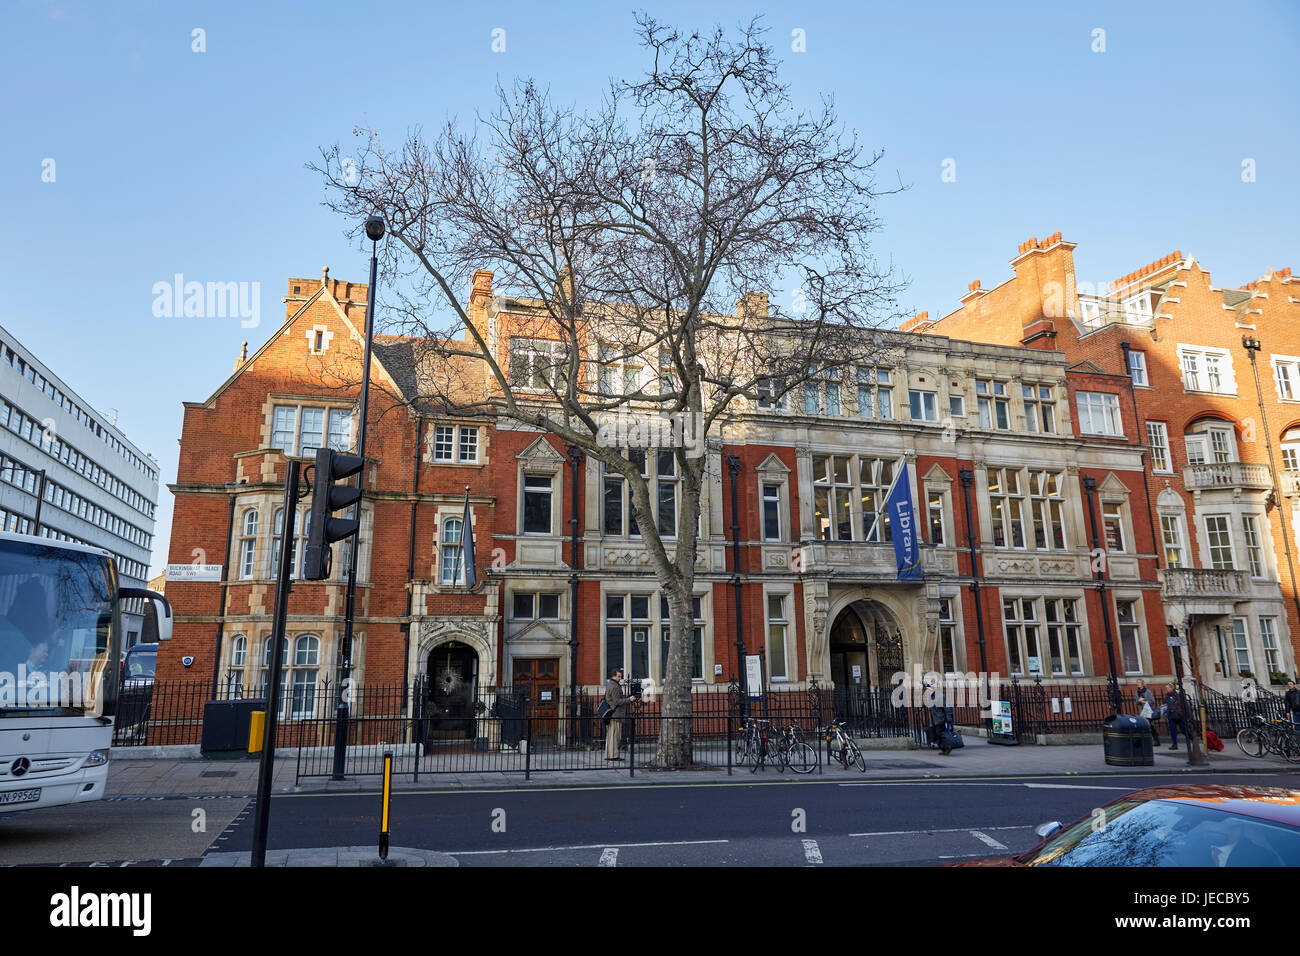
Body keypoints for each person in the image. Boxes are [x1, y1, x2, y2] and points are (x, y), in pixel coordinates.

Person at [604, 667, 630, 761]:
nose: (620, 678)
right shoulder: (615, 686)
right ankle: (614, 755)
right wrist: (629, 700)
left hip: (612, 714)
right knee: (615, 736)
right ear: (614, 676)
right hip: (616, 714)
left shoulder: (610, 684)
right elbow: (616, 701)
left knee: (610, 736)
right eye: (619, 676)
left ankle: (608, 754)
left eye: (620, 676)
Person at [1135, 678, 1161, 747]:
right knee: (1147, 726)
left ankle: (1155, 740)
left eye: (1139, 682)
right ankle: (1151, 740)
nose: (1138, 684)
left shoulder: (1147, 691)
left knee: (1149, 726)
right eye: (1137, 682)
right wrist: (1139, 701)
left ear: (1142, 684)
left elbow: (1153, 701)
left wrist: (1144, 701)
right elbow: (1136, 702)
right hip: (1142, 711)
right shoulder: (1137, 692)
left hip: (1148, 711)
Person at [1165, 683, 1189, 751]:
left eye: (1168, 688)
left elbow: (1185, 705)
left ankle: (1192, 739)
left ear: (1172, 688)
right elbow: (1167, 704)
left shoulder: (1179, 695)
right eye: (1166, 688)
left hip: (1179, 715)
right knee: (1172, 731)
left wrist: (1188, 715)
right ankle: (1174, 744)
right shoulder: (1167, 696)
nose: (1167, 689)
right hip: (1171, 715)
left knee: (1183, 730)